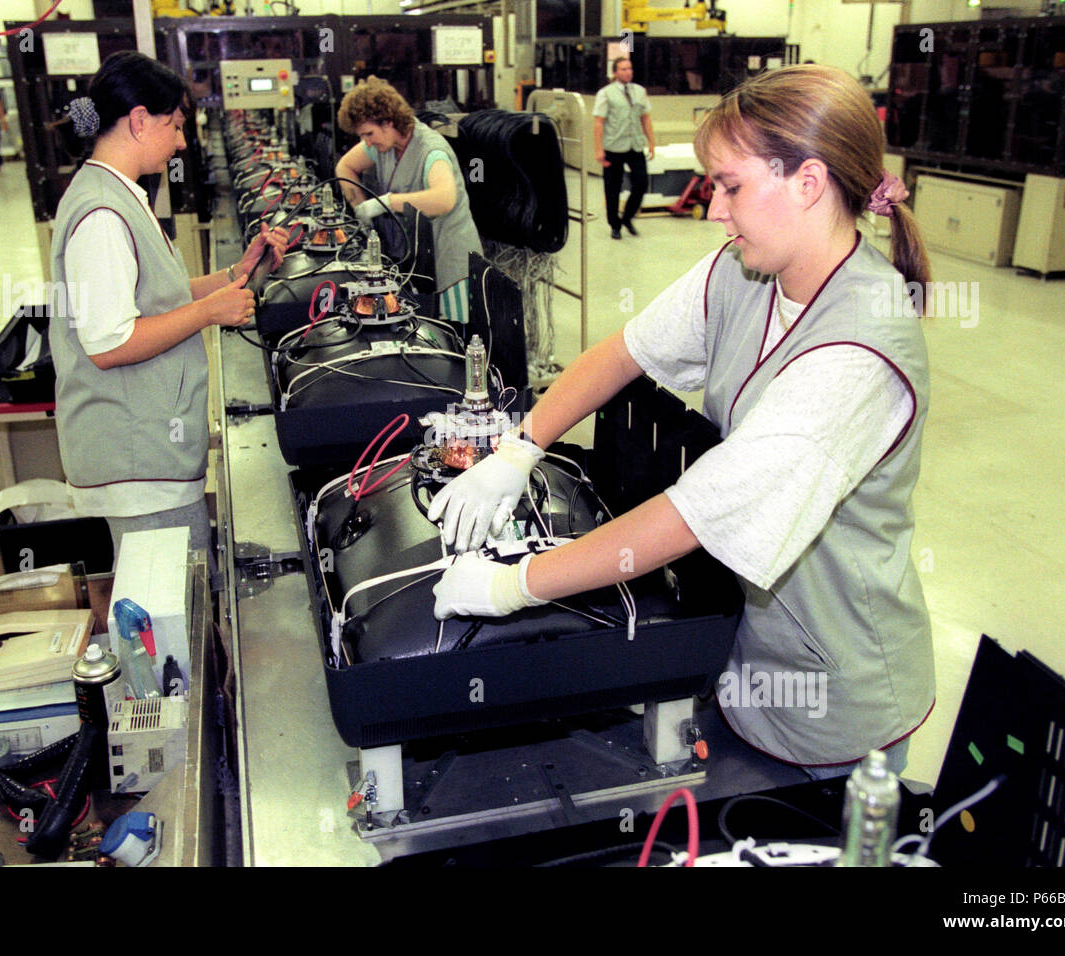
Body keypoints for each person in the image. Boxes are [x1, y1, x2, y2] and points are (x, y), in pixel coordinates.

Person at [430, 65, 934, 780]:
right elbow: (625, 351)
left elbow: (694, 515)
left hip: (834, 687)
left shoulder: (859, 353)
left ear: (809, 183)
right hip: (743, 645)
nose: (713, 210)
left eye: (730, 186)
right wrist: (519, 449)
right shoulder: (744, 272)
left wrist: (518, 585)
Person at [49, 51, 286, 570]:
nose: (181, 141)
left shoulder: (116, 194)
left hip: (149, 451)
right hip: (136, 463)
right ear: (139, 121)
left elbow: (158, 295)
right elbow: (110, 344)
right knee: (171, 619)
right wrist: (209, 313)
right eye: (175, 125)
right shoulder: (103, 214)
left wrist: (234, 275)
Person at [334, 76, 482, 324]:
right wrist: (359, 207)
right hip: (418, 263)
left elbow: (444, 199)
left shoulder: (431, 150)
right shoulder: (383, 145)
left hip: (451, 265)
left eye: (369, 133)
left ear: (388, 121)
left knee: (455, 338)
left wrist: (388, 202)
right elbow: (345, 167)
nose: (366, 142)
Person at [593, 56, 655, 240]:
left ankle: (627, 217)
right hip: (613, 147)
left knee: (642, 182)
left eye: (630, 68)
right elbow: (598, 123)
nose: (628, 72)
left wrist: (651, 142)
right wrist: (598, 149)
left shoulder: (639, 91)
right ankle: (615, 224)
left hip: (635, 145)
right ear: (615, 72)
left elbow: (646, 118)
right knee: (612, 188)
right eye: (623, 69)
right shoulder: (606, 93)